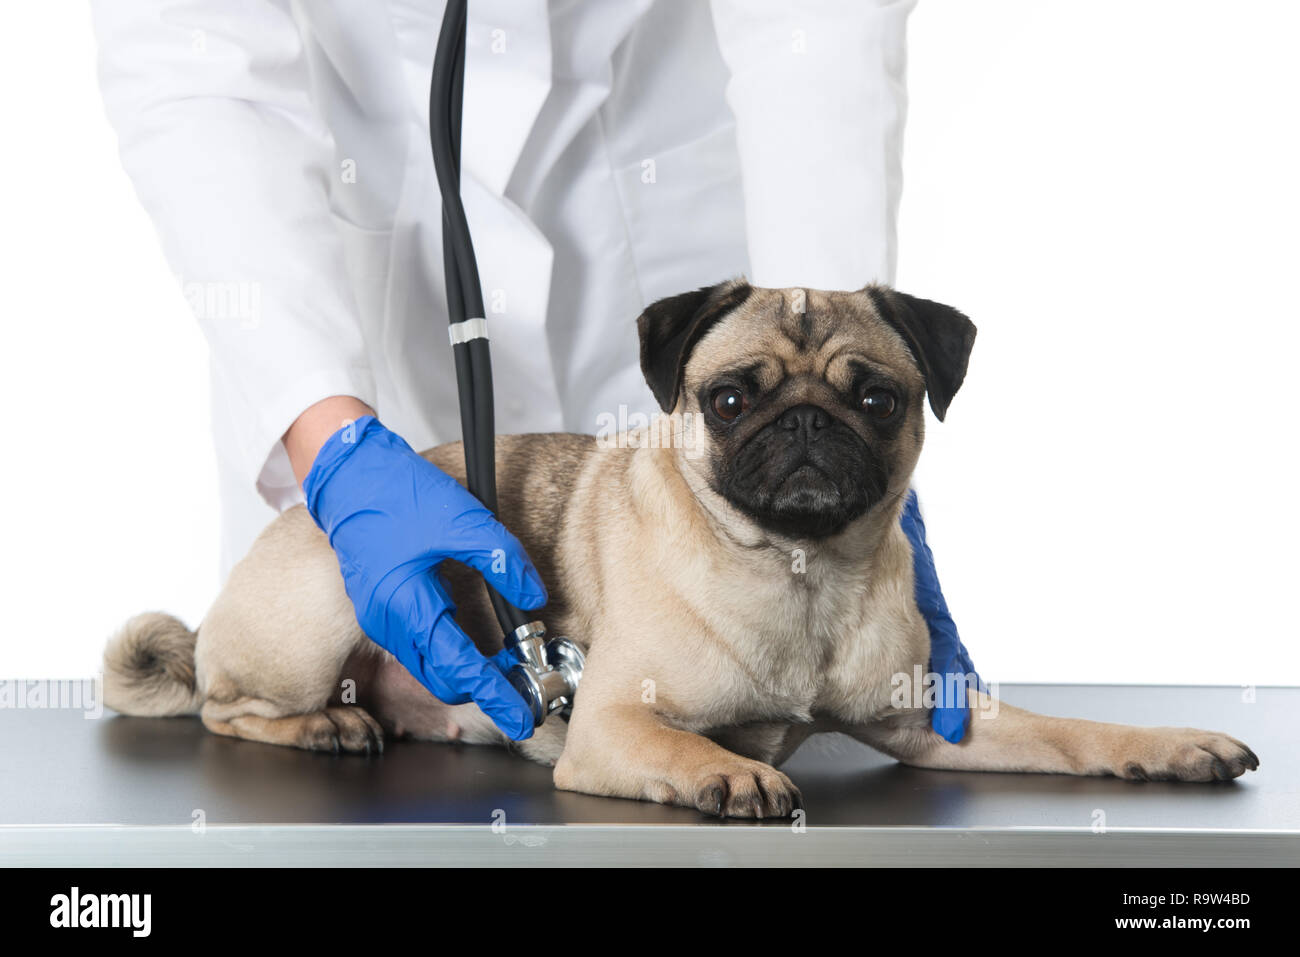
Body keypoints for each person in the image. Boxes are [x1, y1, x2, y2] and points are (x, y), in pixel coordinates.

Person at [91, 0, 979, 743]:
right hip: (374, 275)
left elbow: (815, 25)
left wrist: (843, 424)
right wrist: (331, 444)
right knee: (341, 710)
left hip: (665, 220)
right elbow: (193, 61)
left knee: (750, 774)